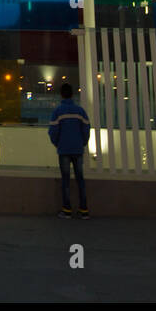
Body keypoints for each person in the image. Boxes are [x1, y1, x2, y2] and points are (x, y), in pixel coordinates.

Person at [48, 82, 91, 219]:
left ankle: (67, 210)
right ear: (72, 94)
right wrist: (82, 143)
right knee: (80, 180)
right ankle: (84, 210)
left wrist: (58, 144)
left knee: (65, 180)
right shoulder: (80, 111)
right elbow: (86, 129)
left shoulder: (58, 111)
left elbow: (53, 132)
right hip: (78, 150)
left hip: (64, 150)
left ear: (61, 94)